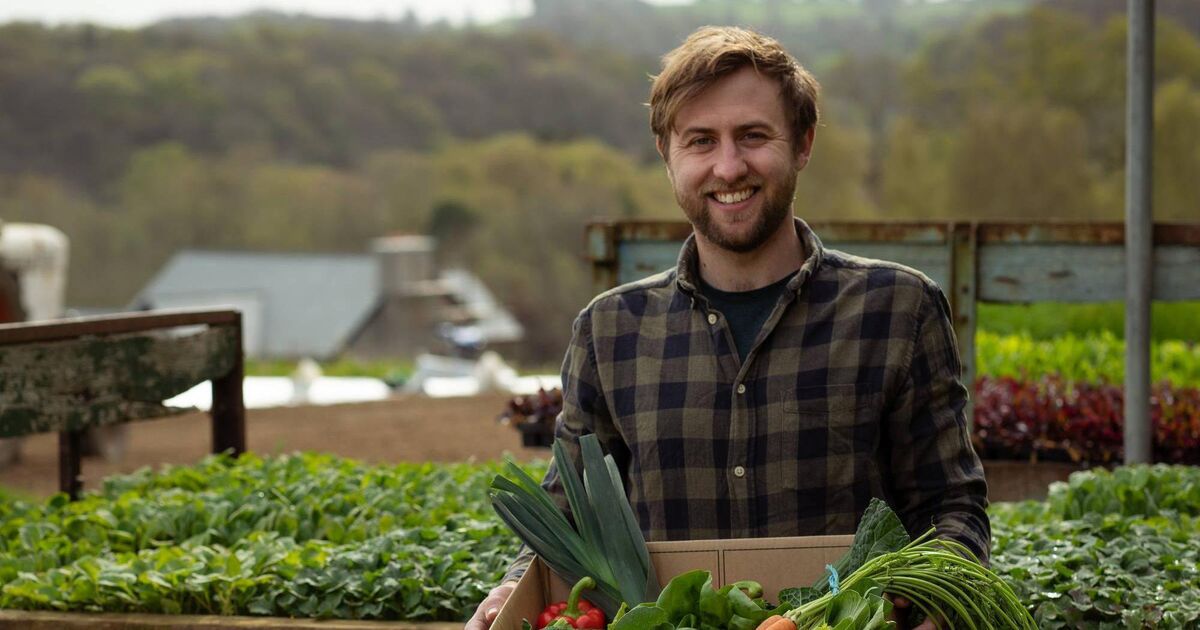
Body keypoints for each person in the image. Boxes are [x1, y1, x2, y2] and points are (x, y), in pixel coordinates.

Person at [466, 26, 988, 630]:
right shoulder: (609, 332)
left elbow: (951, 507)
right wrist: (513, 589)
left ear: (803, 143)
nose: (729, 166)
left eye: (753, 136)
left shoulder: (898, 309)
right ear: (667, 154)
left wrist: (942, 606)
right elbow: (566, 518)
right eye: (700, 141)